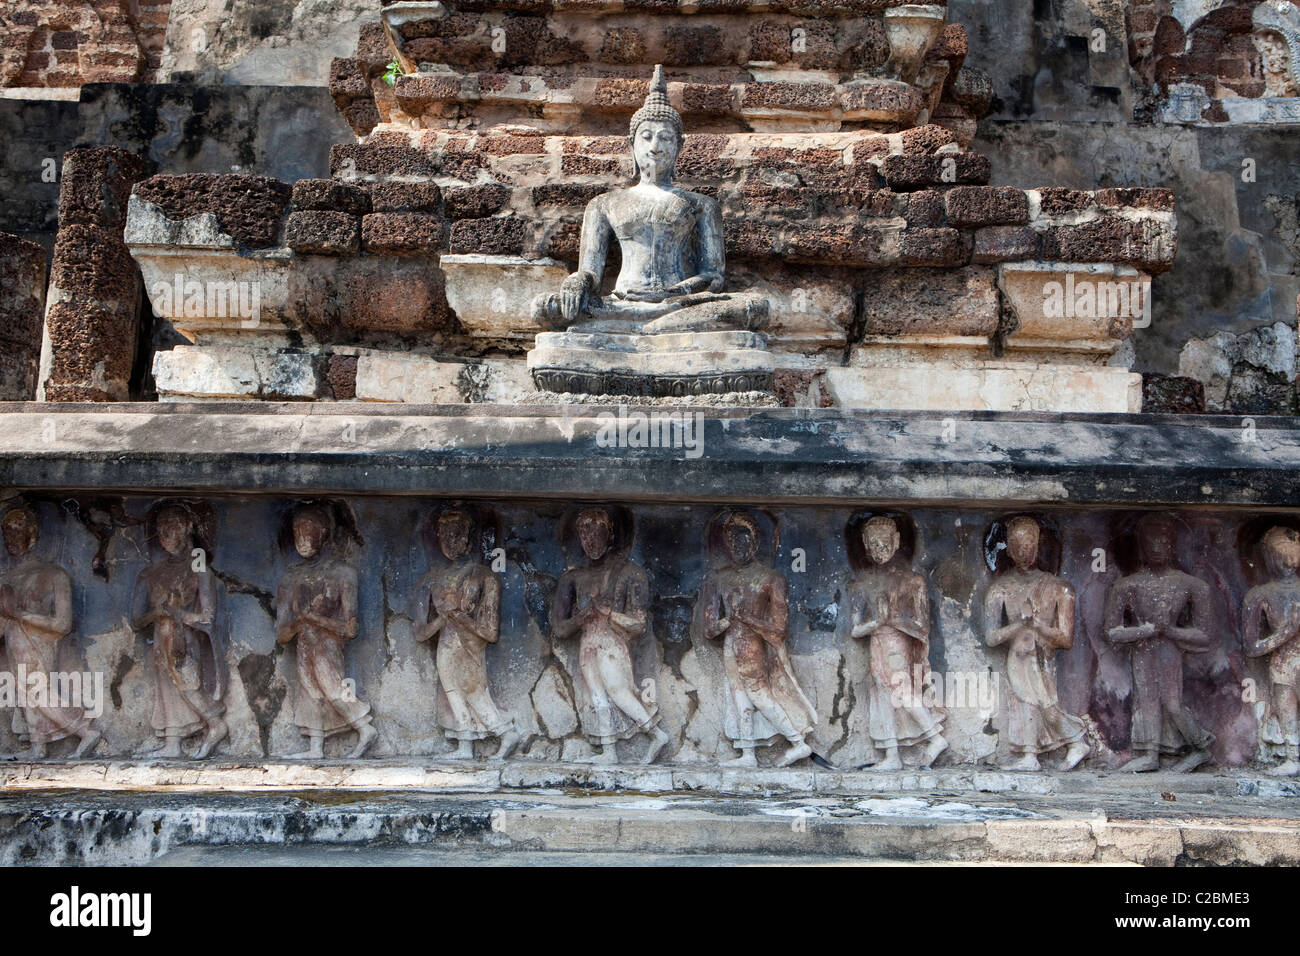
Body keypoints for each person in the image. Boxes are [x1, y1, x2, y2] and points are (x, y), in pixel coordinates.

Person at [531, 65, 769, 336]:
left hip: (677, 303)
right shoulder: (604, 204)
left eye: (665, 138)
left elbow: (713, 277)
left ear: (678, 147)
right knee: (544, 307)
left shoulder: (701, 204)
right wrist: (577, 282)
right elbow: (591, 272)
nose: (656, 146)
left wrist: (673, 293)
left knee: (754, 307)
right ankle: (651, 328)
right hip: (621, 301)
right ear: (632, 145)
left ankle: (640, 328)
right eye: (647, 137)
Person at [552, 507, 669, 764]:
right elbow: (560, 628)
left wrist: (608, 613)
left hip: (611, 642)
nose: (591, 541)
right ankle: (609, 750)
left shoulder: (629, 574)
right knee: (596, 698)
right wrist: (580, 618)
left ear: (611, 534)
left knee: (618, 691)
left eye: (597, 533)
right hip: (588, 641)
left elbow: (638, 624)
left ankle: (656, 734)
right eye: (585, 535)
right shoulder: (573, 578)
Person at [698, 511, 816, 768]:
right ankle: (748, 753)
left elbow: (779, 628)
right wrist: (727, 621)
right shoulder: (718, 580)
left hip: (753, 645)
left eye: (744, 539)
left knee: (759, 694)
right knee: (738, 696)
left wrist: (749, 619)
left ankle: (797, 741)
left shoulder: (771, 579)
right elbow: (708, 629)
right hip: (731, 642)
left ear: (754, 542)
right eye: (732, 540)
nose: (737, 545)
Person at [1105, 514, 1215, 772]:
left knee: (1172, 703)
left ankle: (1200, 747)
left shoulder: (1191, 585)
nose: (1157, 548)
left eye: (1163, 542)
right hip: (1143, 650)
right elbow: (1112, 632)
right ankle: (1150, 754)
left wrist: (1171, 631)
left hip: (1169, 651)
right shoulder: (1126, 585)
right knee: (1146, 701)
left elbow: (1205, 636)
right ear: (1141, 547)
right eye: (1150, 543)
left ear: (1172, 545)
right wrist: (1145, 631)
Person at [982, 516, 1089, 771]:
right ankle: (1030, 755)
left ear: (1039, 544)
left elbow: (1065, 638)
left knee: (1045, 705)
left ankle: (1076, 741)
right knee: (1023, 704)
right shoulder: (1000, 589)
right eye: (1017, 544)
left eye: (1029, 543)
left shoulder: (1058, 588)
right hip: (1017, 656)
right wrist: (1020, 624)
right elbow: (991, 637)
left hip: (1042, 656)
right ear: (1007, 546)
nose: (1023, 550)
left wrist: (1037, 625)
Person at [415, 509, 520, 760]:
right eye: (445, 535)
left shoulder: (485, 577)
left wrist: (460, 617)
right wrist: (443, 617)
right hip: (446, 642)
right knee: (452, 691)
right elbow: (420, 632)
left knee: (474, 692)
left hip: (471, 645)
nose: (450, 541)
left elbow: (490, 633)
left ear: (468, 538)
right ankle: (465, 745)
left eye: (457, 534)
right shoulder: (433, 580)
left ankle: (504, 733)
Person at [847, 516, 947, 770]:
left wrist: (892, 621)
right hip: (876, 643)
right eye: (874, 543)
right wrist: (876, 623)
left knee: (901, 689)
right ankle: (892, 755)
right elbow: (857, 629)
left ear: (897, 542)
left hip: (896, 643)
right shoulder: (861, 585)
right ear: (866, 546)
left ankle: (935, 738)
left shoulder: (912, 582)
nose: (880, 548)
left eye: (885, 542)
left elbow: (923, 625)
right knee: (881, 693)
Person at [0, 505, 101, 759]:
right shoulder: (7, 577)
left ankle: (84, 729)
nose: (11, 538)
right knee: (25, 693)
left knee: (38, 690)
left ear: (31, 534)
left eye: (17, 531)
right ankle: (37, 745)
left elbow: (62, 624)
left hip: (37, 643)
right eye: (7, 532)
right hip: (14, 641)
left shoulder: (52, 574)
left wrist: (20, 615)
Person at [276, 503, 376, 759]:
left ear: (323, 533)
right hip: (304, 644)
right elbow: (282, 633)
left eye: (308, 529)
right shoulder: (291, 578)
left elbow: (351, 628)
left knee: (332, 688)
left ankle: (364, 727)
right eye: (297, 530)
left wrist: (315, 619)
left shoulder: (343, 573)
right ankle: (315, 747)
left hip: (328, 645)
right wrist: (300, 623)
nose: (302, 536)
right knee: (309, 691)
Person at [131, 501, 226, 759]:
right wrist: (158, 613)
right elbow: (136, 620)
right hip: (160, 639)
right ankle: (172, 743)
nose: (165, 533)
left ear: (187, 528)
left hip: (185, 639)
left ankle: (216, 724)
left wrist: (178, 614)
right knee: (166, 689)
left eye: (172, 526)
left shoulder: (198, 569)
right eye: (161, 528)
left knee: (188, 686)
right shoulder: (151, 573)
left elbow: (208, 619)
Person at [1243, 525, 1300, 776]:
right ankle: (1292, 755)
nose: (1289, 560)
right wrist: (1286, 633)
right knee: (1286, 709)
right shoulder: (1260, 595)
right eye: (1280, 554)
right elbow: (1252, 647)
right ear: (1267, 557)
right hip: (1282, 665)